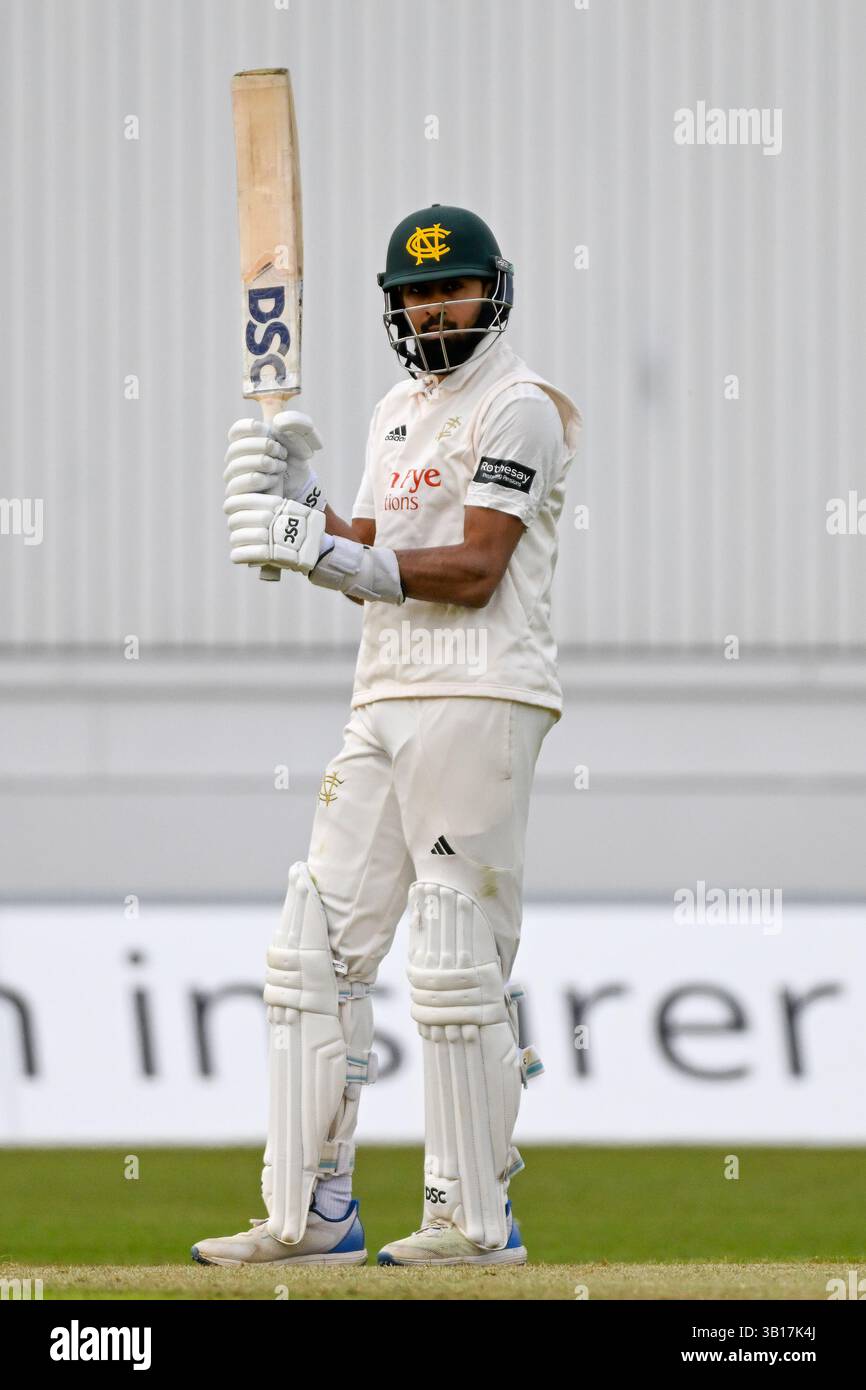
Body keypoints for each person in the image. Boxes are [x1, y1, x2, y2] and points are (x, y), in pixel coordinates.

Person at [193, 204, 582, 1268]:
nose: (427, 306)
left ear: (489, 290)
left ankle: (471, 1219)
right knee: (313, 946)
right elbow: (369, 542)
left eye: (445, 287)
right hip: (383, 693)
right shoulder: (393, 411)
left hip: (483, 689)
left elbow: (472, 568)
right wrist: (293, 501)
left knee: (454, 958)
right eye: (411, 292)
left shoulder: (521, 407)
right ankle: (310, 1213)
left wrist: (327, 557)